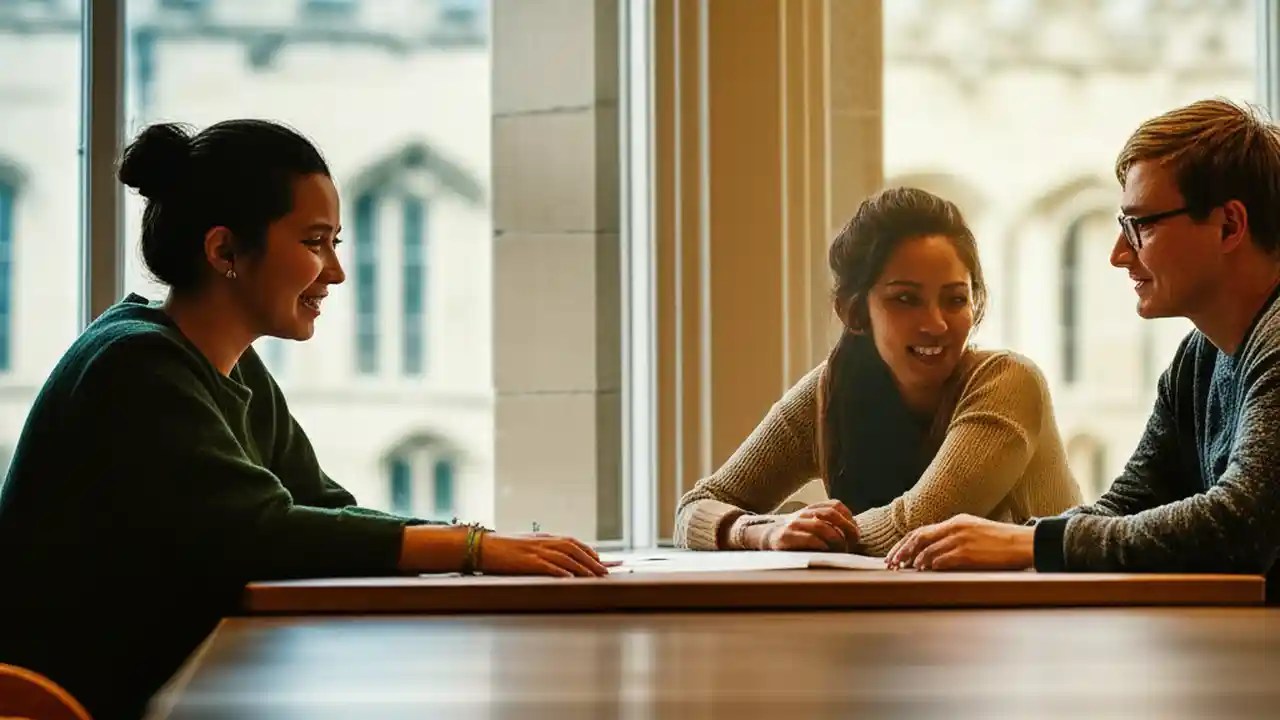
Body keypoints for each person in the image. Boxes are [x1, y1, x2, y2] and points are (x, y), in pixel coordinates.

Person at [0, 119, 608, 719]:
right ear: (225, 250)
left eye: (335, 244)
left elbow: (322, 507)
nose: (337, 272)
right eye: (315, 243)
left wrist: (490, 547)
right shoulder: (134, 364)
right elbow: (265, 532)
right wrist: (473, 547)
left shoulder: (233, 368)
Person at [885, 99, 1280, 603]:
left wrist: (1030, 542)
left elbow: (1238, 525)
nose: (1118, 254)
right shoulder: (1198, 358)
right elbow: (1130, 502)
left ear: (1229, 226)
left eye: (1143, 225)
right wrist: (1014, 540)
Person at [674, 187, 1082, 556]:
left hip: (1040, 622)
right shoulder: (827, 392)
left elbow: (918, 526)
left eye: (955, 299)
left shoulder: (1008, 382)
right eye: (906, 299)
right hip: (907, 623)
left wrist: (805, 532)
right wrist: (762, 531)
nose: (937, 323)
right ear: (854, 311)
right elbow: (697, 507)